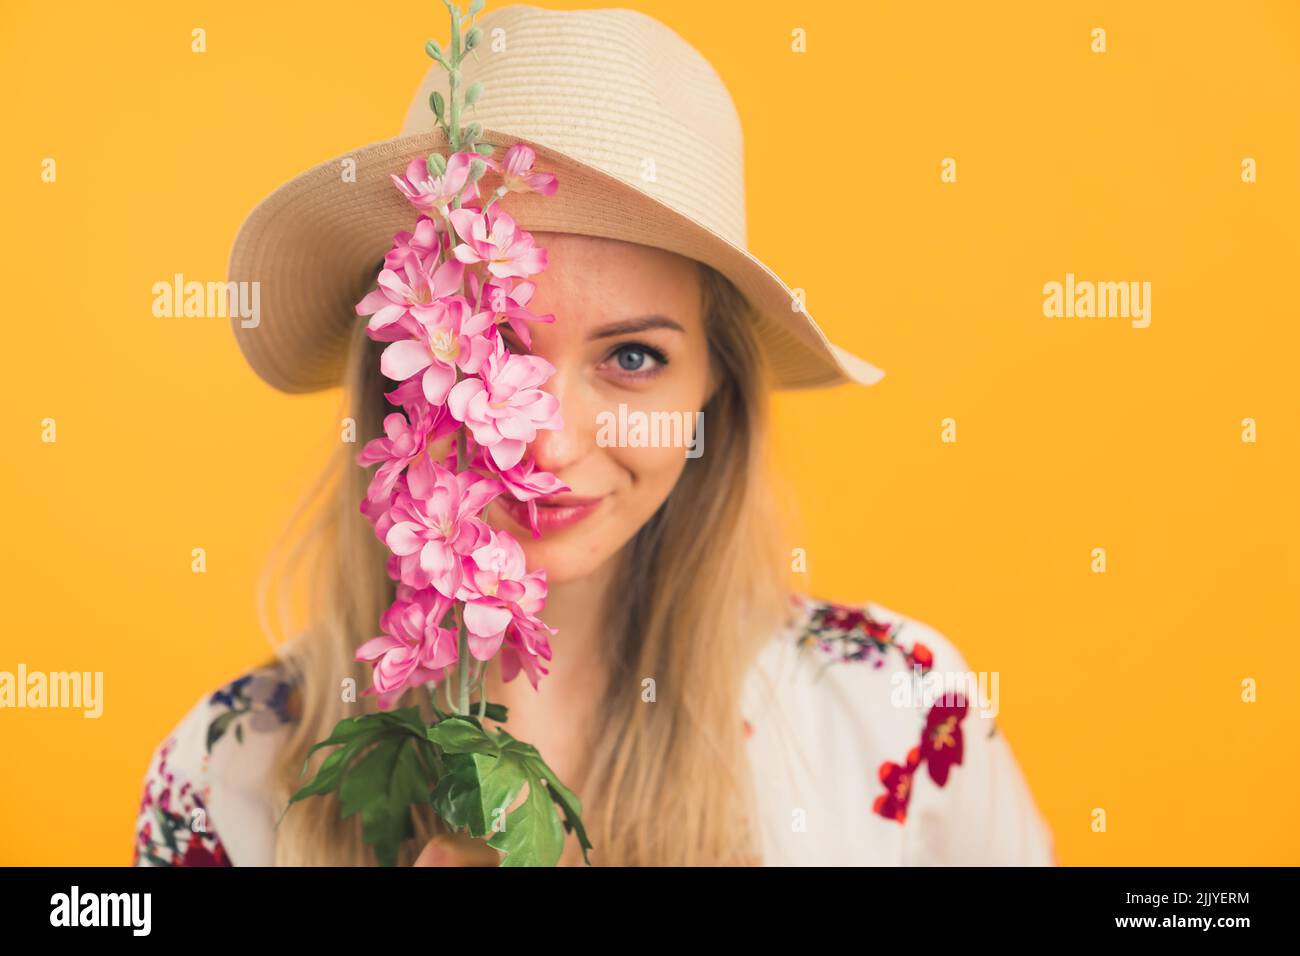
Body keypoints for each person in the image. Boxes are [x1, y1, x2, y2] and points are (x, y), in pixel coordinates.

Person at [132, 4, 1056, 867]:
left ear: (715, 387)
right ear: (397, 380)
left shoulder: (896, 713)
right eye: (491, 346)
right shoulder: (228, 775)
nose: (547, 447)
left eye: (634, 359)